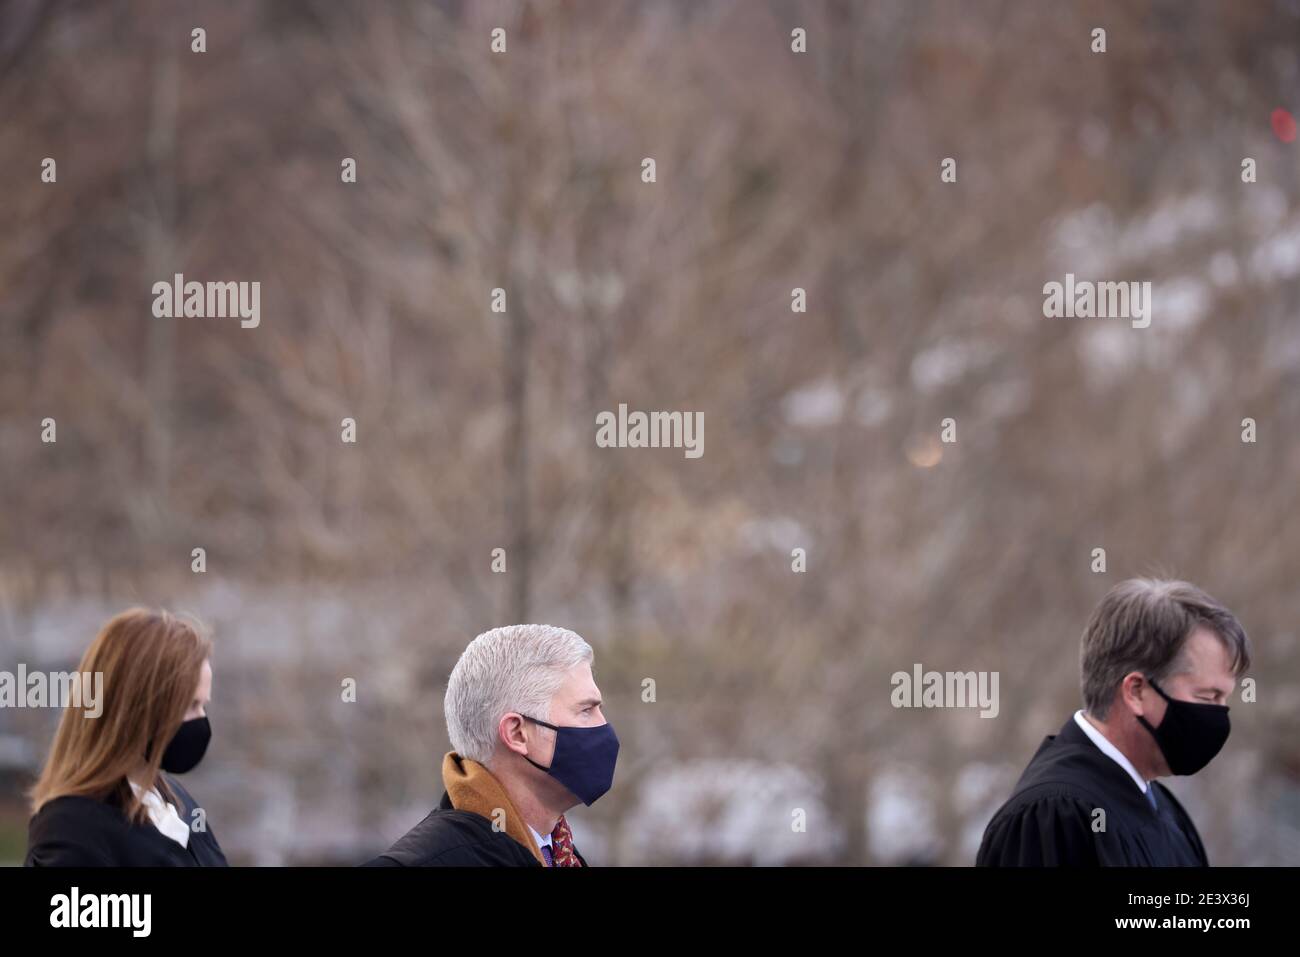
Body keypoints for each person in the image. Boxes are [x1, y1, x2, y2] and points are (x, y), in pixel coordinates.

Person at [977, 578, 1250, 866]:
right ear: (1136, 691)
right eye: (1208, 697)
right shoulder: (1056, 816)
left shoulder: (1163, 809)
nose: (1219, 717)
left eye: (1224, 699)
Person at [366, 624, 617, 866]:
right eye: (586, 710)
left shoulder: (561, 855)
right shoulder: (425, 860)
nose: (604, 725)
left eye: (599, 709)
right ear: (517, 733)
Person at [25, 607, 228, 866]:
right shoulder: (72, 832)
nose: (200, 719)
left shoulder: (174, 800)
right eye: (189, 705)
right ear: (138, 707)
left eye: (203, 705)